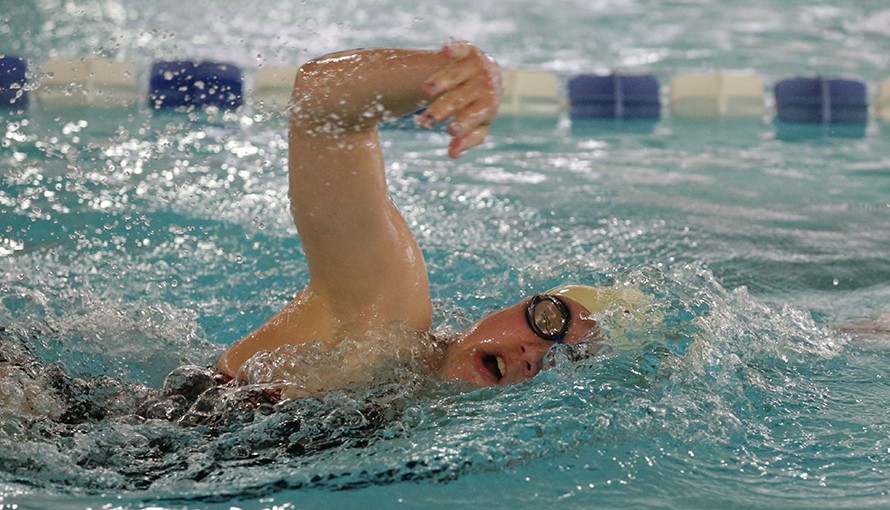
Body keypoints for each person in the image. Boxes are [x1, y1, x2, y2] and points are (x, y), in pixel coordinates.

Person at [215, 42, 646, 398]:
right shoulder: (385, 320)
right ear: (515, 306)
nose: (533, 354)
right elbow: (324, 98)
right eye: (549, 321)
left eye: (567, 360)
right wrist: (450, 72)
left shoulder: (441, 418)